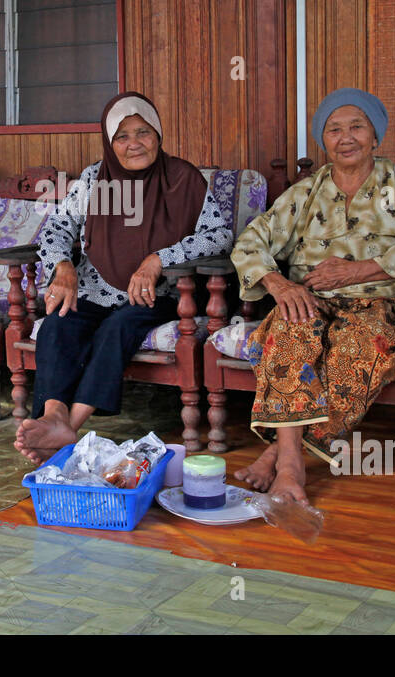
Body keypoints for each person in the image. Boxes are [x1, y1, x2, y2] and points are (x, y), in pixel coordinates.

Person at [229, 88, 395, 506]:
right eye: (334, 129)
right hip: (311, 297)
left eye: (357, 127)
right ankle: (292, 466)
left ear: (375, 136)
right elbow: (249, 242)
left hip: (382, 302)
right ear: (323, 140)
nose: (345, 137)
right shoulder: (305, 192)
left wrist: (359, 269)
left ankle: (281, 456)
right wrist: (280, 285)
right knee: (291, 334)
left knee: (353, 353)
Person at [14, 92, 232, 462]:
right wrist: (62, 268)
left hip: (157, 294)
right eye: (122, 136)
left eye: (143, 132)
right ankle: (53, 415)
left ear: (159, 135)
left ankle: (71, 425)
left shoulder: (183, 179)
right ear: (109, 141)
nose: (134, 144)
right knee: (58, 323)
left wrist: (158, 259)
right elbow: (57, 229)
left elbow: (220, 235)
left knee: (119, 326)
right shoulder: (93, 179)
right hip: (95, 287)